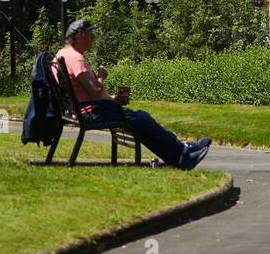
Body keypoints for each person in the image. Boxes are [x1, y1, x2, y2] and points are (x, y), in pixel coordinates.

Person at [54, 19, 211, 170]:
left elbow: (86, 93)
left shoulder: (62, 54)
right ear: (79, 35)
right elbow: (93, 91)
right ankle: (183, 150)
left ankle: (179, 157)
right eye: (90, 33)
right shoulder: (75, 58)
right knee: (143, 118)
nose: (93, 37)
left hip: (88, 110)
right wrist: (101, 76)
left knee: (141, 124)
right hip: (94, 112)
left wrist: (113, 99)